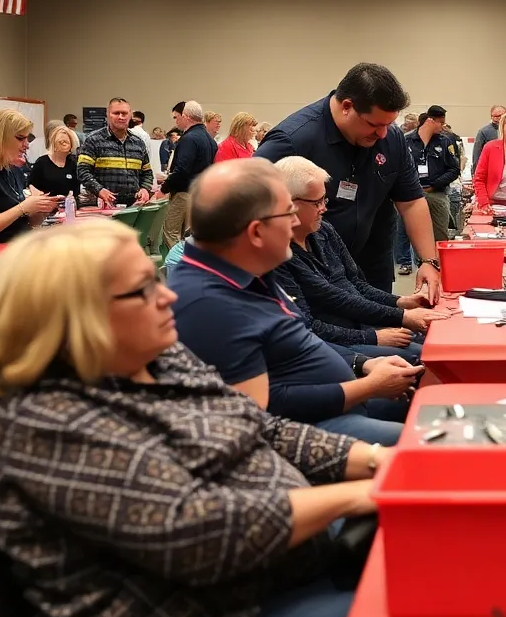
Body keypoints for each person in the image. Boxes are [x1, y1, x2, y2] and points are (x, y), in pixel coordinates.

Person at [0, 219, 386, 617]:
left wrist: (379, 460)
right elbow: (197, 532)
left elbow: (263, 428)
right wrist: (358, 495)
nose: (168, 295)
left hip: (274, 575)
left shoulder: (159, 357)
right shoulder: (47, 419)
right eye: (143, 289)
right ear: (76, 315)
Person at [169, 159, 418, 445]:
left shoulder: (247, 270)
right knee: (432, 446)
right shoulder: (209, 303)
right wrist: (366, 386)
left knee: (429, 390)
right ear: (256, 232)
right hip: (308, 426)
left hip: (340, 396)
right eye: (287, 214)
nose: (295, 223)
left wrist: (361, 363)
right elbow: (267, 405)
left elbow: (301, 339)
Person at [256, 63, 441, 299]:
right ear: (347, 107)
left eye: (389, 124)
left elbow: (412, 201)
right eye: (374, 124)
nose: (383, 134)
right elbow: (244, 205)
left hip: (372, 272)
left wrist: (428, 261)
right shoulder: (294, 140)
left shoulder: (391, 139)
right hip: (314, 276)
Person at [273, 156, 447, 361]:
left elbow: (356, 284)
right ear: (289, 203)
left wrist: (401, 302)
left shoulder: (323, 231)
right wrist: (376, 334)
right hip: (335, 346)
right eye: (316, 202)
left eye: (324, 200)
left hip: (360, 327)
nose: (324, 208)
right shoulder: (279, 257)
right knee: (421, 356)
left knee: (433, 341)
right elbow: (318, 317)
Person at [0, 110, 58, 243]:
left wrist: (39, 209)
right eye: (20, 139)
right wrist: (23, 208)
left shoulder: (12, 170)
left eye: (27, 139)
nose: (26, 145)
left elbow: (23, 223)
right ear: (0, 138)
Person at [161, 100, 219, 250]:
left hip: (183, 193)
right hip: (199, 193)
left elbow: (182, 170)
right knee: (188, 236)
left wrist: (164, 189)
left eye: (176, 117)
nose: (176, 121)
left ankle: (177, 269)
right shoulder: (209, 140)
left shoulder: (189, 139)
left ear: (186, 117)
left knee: (170, 234)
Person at [76, 96, 154, 207]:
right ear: (108, 115)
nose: (121, 117)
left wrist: (145, 189)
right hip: (103, 206)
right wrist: (99, 190)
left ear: (130, 115)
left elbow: (147, 173)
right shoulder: (93, 140)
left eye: (124, 113)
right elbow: (82, 171)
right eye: (116, 113)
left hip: (133, 206)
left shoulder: (138, 143)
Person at [403, 106, 459, 243]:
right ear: (430, 121)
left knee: (440, 235)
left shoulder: (445, 142)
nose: (442, 127)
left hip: (437, 194)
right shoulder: (407, 141)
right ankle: (416, 264)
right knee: (414, 236)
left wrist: (434, 186)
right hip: (412, 194)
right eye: (440, 122)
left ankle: (440, 263)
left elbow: (454, 170)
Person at [28, 123, 81, 200]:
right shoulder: (42, 162)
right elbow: (32, 185)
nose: (64, 145)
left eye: (67, 141)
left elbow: (76, 190)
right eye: (61, 142)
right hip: (46, 206)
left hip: (69, 206)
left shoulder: (73, 163)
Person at [472, 104, 506, 170]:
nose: (500, 118)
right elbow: (477, 155)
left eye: (502, 115)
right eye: (497, 116)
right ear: (491, 117)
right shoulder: (483, 132)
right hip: (491, 168)